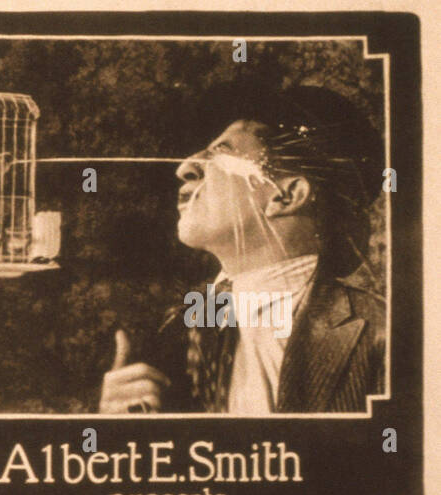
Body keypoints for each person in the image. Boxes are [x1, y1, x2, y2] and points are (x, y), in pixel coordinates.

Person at [98, 85, 385, 414]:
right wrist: (116, 429)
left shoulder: (382, 335)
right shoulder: (174, 332)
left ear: (286, 196)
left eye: (220, 153)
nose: (185, 168)